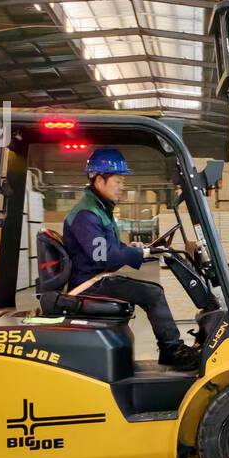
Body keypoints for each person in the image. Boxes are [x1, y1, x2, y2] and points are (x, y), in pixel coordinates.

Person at [63, 147, 200, 370]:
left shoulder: (98, 209)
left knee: (152, 290)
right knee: (153, 293)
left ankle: (170, 349)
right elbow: (103, 256)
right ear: (99, 180)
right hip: (89, 284)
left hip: (96, 278)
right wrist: (139, 253)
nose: (122, 186)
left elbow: (108, 247)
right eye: (118, 181)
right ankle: (172, 350)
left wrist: (134, 248)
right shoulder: (86, 213)